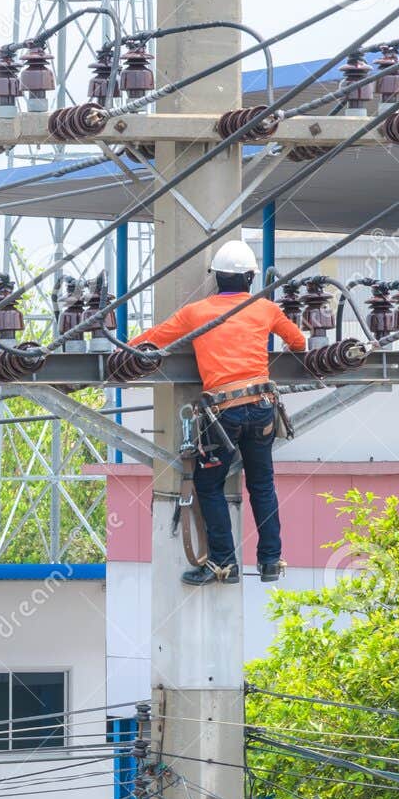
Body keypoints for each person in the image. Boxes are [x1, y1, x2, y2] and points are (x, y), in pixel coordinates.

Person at [130, 239, 307, 586]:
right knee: (262, 484)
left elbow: (154, 339)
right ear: (251, 279)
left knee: (208, 484)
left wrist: (119, 351)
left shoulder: (196, 312)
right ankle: (270, 561)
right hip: (261, 409)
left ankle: (224, 564)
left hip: (222, 414)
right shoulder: (265, 308)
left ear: (216, 278)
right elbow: (299, 343)